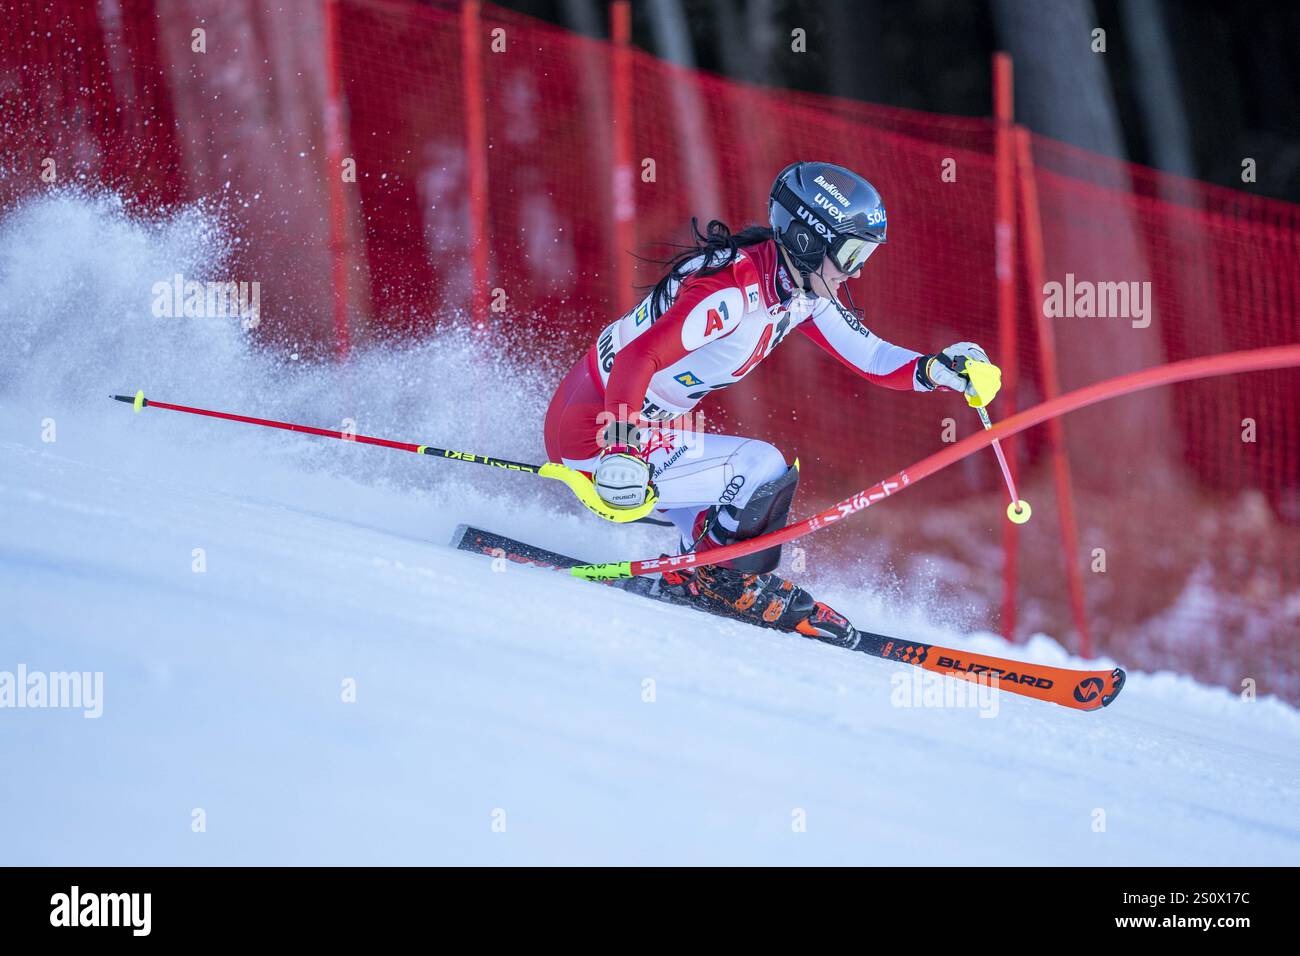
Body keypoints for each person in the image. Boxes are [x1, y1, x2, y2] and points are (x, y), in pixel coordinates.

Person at [543, 161, 997, 646]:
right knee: (760, 467)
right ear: (807, 241)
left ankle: (703, 570)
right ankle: (718, 581)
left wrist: (938, 370)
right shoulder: (732, 295)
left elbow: (872, 356)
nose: (858, 268)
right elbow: (638, 359)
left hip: (628, 429)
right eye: (850, 253)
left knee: (736, 510)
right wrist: (622, 451)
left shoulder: (797, 290)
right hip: (597, 436)